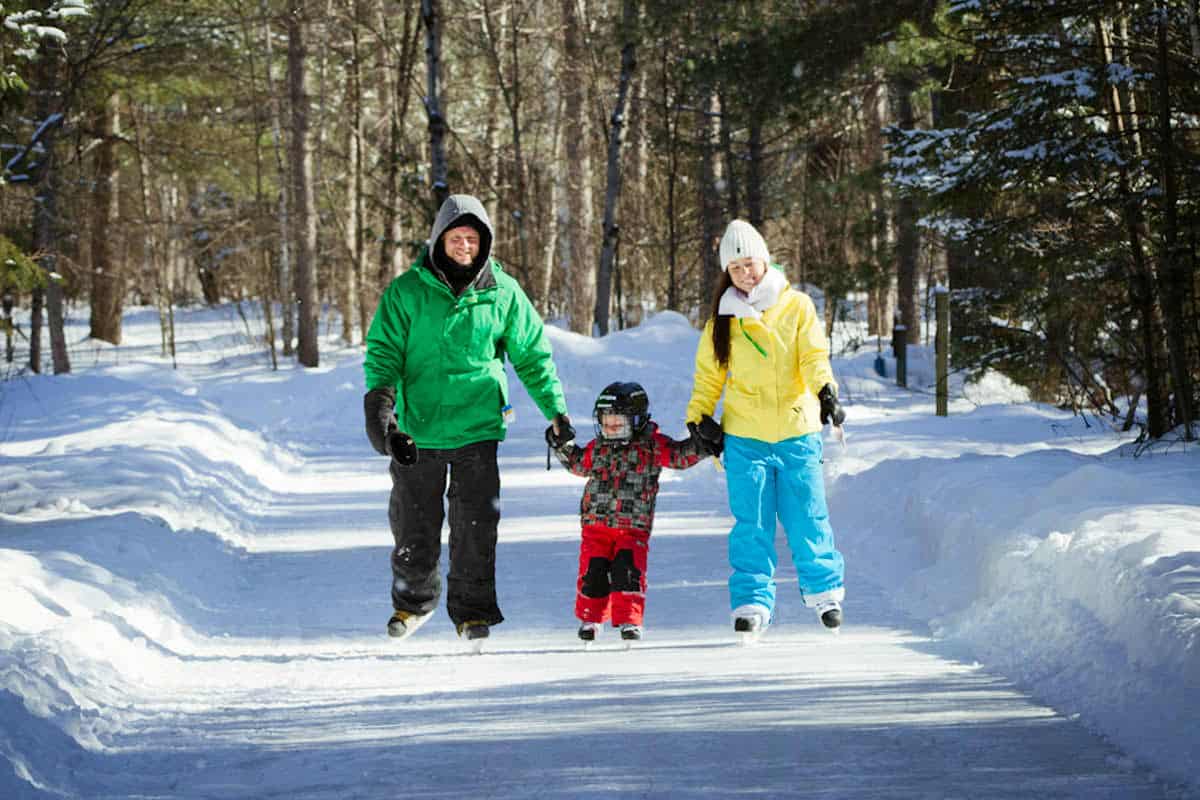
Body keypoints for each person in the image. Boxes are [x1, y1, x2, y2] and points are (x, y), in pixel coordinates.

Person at [363, 194, 573, 643]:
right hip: (417, 430)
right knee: (413, 524)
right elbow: (383, 354)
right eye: (456, 237)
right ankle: (412, 602)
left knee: (475, 527)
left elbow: (532, 356)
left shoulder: (503, 292)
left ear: (485, 243)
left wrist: (556, 410)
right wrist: (382, 410)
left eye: (473, 239)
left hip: (478, 427)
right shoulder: (407, 292)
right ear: (439, 240)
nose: (464, 247)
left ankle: (472, 612)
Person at [685, 219, 847, 639]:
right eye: (735, 268)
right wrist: (698, 417)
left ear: (765, 260)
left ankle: (824, 591)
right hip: (746, 437)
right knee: (751, 523)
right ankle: (752, 600)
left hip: (797, 431)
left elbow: (813, 356)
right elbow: (708, 377)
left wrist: (825, 390)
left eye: (750, 264)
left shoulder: (796, 307)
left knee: (807, 516)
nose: (745, 273)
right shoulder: (723, 318)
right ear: (727, 272)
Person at [546, 381, 719, 643]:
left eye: (618, 423)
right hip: (596, 526)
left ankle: (630, 620)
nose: (610, 429)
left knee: (628, 573)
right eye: (606, 423)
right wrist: (560, 444)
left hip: (633, 527)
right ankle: (591, 618)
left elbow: (679, 456)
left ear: (636, 420)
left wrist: (703, 444)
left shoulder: (651, 445)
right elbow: (577, 463)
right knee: (593, 573)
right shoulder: (599, 447)